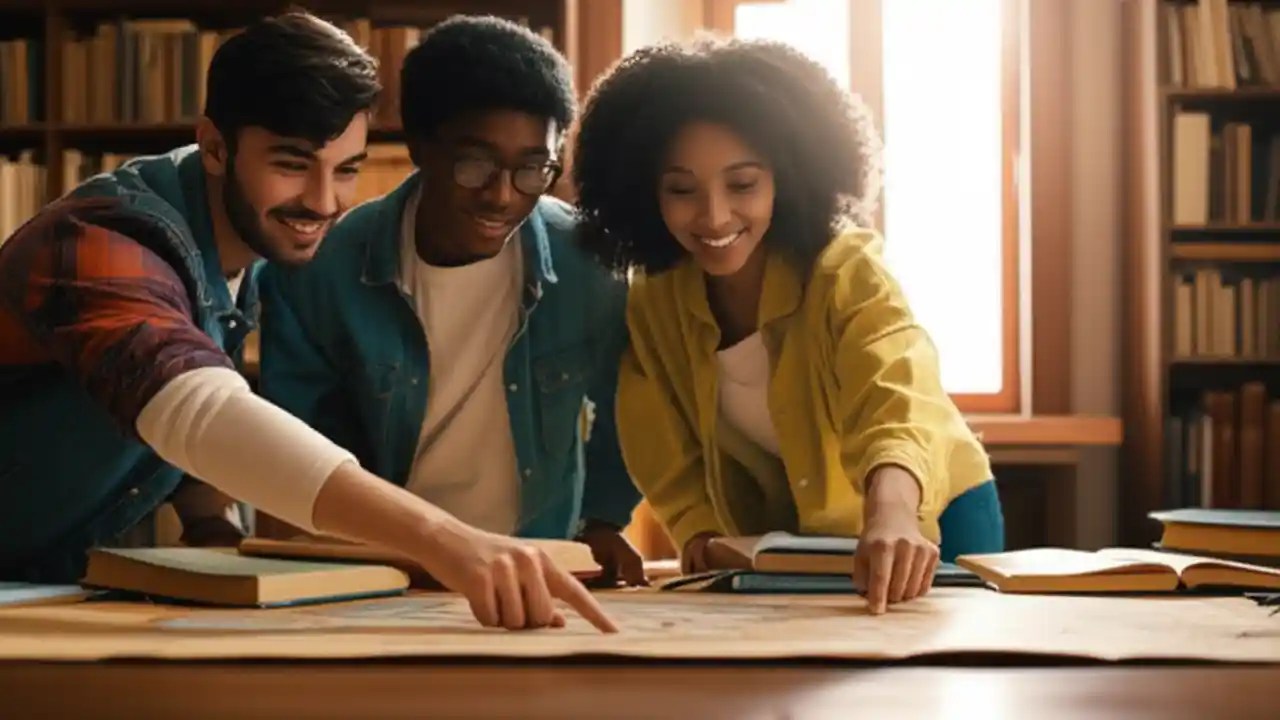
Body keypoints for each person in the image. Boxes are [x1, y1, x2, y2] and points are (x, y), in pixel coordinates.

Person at [0, 12, 615, 633]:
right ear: (215, 146)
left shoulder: (246, 248)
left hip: (41, 583)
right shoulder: (96, 245)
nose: (323, 203)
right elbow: (193, 406)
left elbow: (181, 394)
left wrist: (210, 524)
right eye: (292, 163)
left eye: (346, 169)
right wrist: (449, 540)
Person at [573, 37, 1006, 615]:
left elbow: (896, 391)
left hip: (926, 517)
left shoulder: (845, 267)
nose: (714, 216)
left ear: (788, 174)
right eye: (681, 190)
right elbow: (656, 437)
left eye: (743, 184)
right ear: (645, 192)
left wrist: (894, 511)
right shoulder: (655, 295)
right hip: (781, 543)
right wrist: (698, 531)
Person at [258, 16, 644, 592]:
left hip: (538, 564)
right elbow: (297, 446)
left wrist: (603, 519)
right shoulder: (319, 271)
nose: (502, 194)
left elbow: (631, 407)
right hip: (382, 570)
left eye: (532, 168)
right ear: (419, 145)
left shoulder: (590, 263)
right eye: (475, 164)